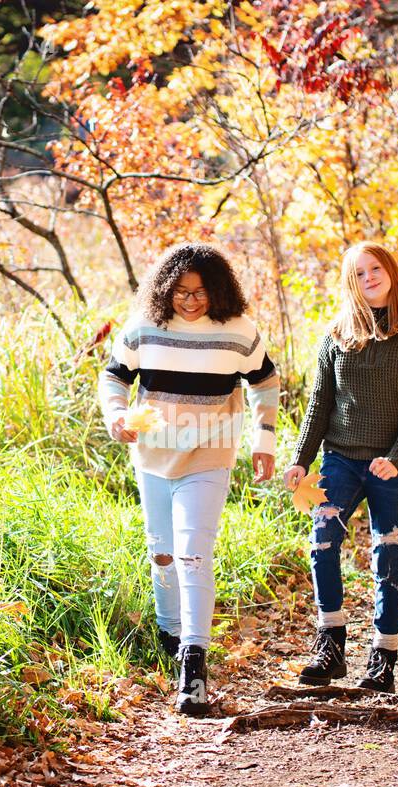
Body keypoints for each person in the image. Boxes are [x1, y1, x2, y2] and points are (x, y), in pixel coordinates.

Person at [99, 243, 279, 715]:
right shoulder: (144, 329)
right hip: (152, 456)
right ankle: (170, 636)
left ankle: (195, 663)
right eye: (181, 291)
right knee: (161, 553)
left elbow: (264, 383)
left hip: (209, 454)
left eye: (200, 292)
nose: (191, 300)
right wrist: (116, 413)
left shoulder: (238, 332)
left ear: (217, 291)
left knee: (193, 553)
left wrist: (265, 441)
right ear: (166, 289)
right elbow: (114, 377)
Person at [284, 241, 398, 693]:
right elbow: (320, 403)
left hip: (392, 467)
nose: (369, 277)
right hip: (339, 461)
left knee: (386, 553)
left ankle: (383, 658)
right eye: (359, 273)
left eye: (375, 268)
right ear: (350, 283)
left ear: (390, 272)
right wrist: (301, 458)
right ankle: (330, 645)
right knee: (322, 541)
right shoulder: (336, 335)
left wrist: (397, 457)